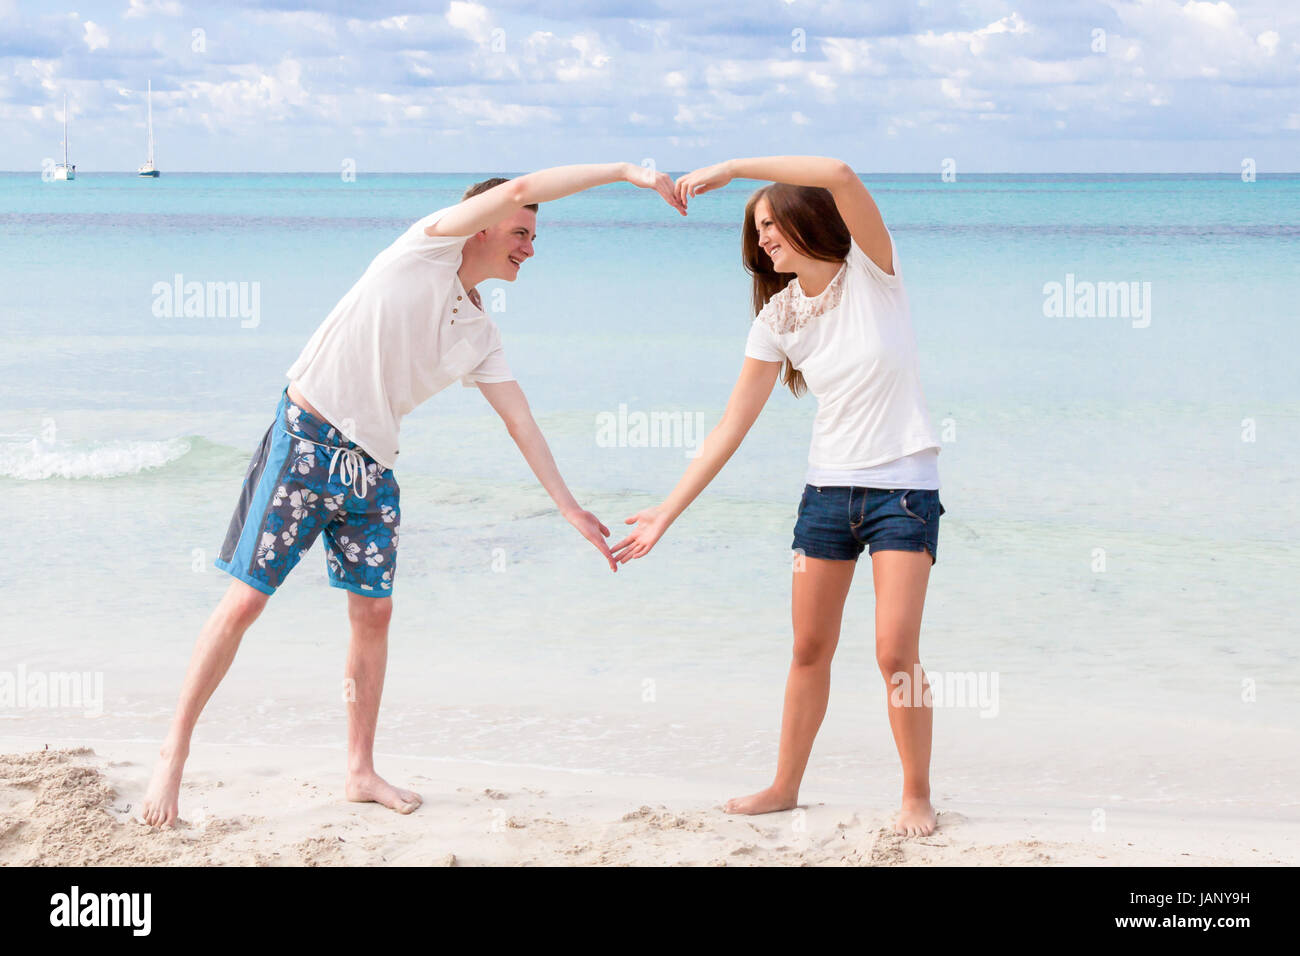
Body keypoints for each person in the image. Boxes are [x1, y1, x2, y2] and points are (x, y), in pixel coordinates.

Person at [141, 164, 686, 827]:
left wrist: (568, 507)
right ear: (482, 223)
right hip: (306, 442)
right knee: (246, 601)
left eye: (534, 237)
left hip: (373, 470)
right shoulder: (422, 249)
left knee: (373, 616)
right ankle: (172, 756)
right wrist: (628, 171)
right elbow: (515, 189)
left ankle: (359, 770)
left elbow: (520, 421)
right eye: (520, 232)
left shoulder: (481, 333)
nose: (529, 247)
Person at [611, 156, 946, 837]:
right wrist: (667, 510)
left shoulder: (875, 275)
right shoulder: (777, 318)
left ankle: (916, 794)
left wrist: (736, 168)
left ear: (806, 218)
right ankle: (785, 786)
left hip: (903, 493)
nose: (763, 237)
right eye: (756, 228)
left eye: (772, 222)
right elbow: (732, 424)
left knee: (893, 651)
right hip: (826, 495)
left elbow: (845, 174)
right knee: (808, 649)